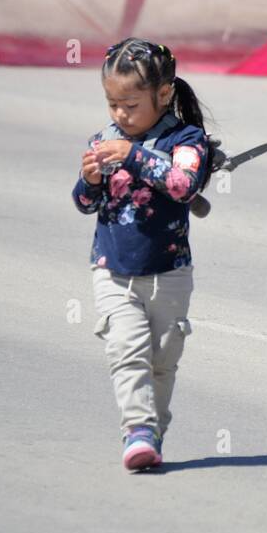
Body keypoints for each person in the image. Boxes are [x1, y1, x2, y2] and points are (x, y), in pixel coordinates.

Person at [72, 38, 212, 471]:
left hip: (169, 273)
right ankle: (137, 429)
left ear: (164, 94)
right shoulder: (105, 139)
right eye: (112, 104)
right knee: (127, 350)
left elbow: (183, 185)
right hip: (113, 271)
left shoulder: (186, 139)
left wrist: (133, 156)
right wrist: (89, 180)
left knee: (162, 362)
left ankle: (153, 432)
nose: (119, 115)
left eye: (130, 105)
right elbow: (83, 204)